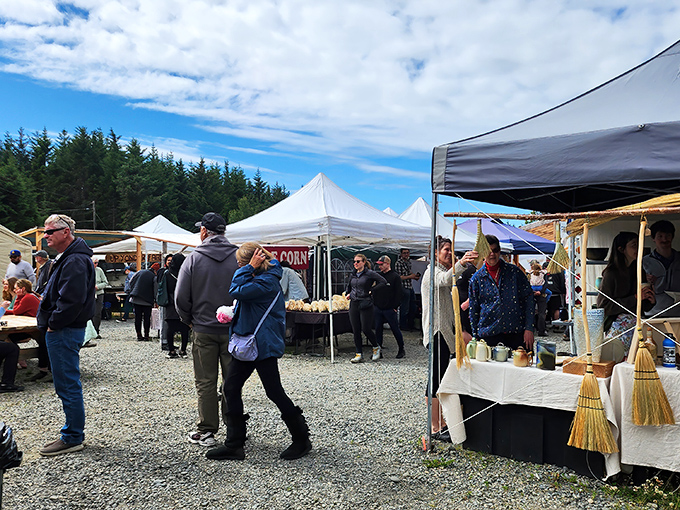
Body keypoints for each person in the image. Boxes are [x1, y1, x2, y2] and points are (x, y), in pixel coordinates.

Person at [206, 242, 312, 461]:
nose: (237, 265)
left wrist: (247, 269)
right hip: (251, 343)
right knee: (231, 387)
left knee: (273, 391)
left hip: (261, 345)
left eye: (240, 262)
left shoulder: (265, 282)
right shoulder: (265, 278)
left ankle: (301, 439)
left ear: (252, 263)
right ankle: (234, 444)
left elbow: (235, 290)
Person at [175, 212, 238, 448]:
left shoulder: (193, 258)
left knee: (205, 382)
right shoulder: (239, 257)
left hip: (203, 327)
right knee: (232, 382)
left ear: (203, 232)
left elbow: (181, 296)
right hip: (233, 329)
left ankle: (207, 431)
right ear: (223, 232)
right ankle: (235, 428)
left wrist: (189, 320)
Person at [36, 214, 95, 456]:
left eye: (50, 231)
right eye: (45, 231)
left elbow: (71, 300)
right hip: (63, 329)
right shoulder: (70, 258)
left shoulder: (75, 261)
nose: (45, 235)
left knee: (67, 384)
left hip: (64, 330)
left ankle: (72, 436)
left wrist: (53, 324)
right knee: (67, 383)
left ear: (65, 233)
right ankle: (72, 433)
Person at [421, 236, 477, 441]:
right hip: (436, 332)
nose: (449, 253)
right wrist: (461, 263)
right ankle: (435, 427)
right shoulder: (432, 273)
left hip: (445, 332)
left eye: (451, 250)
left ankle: (442, 423)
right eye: (445, 249)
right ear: (435, 253)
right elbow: (445, 281)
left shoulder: (443, 271)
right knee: (435, 379)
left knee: (442, 376)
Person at [468, 235, 535, 350]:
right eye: (488, 251)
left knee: (522, 365)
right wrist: (475, 337)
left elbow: (529, 299)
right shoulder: (476, 279)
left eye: (495, 250)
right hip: (489, 334)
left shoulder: (515, 272)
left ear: (499, 251)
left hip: (516, 332)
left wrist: (529, 328)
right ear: (483, 252)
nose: (492, 254)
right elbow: (473, 309)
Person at [598, 232, 655, 353]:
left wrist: (650, 300)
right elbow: (603, 306)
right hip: (618, 326)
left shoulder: (638, 270)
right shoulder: (611, 274)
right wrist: (635, 297)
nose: (638, 249)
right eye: (634, 245)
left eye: (639, 245)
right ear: (621, 249)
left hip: (638, 326)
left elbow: (642, 306)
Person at [345, 253, 386, 363]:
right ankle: (359, 353)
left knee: (366, 329)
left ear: (363, 262)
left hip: (365, 303)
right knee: (356, 330)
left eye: (358, 261)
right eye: (354, 261)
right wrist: (348, 293)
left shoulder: (369, 273)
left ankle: (376, 347)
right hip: (354, 303)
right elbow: (349, 286)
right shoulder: (353, 274)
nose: (356, 264)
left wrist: (372, 290)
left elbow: (383, 282)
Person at [643, 220, 680, 317]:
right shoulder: (644, 262)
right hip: (653, 313)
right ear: (653, 238)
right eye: (660, 236)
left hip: (677, 313)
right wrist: (645, 280)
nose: (664, 239)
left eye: (668, 236)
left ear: (672, 237)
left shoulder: (678, 258)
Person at [372, 255, 405, 358]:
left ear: (387, 264)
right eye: (379, 265)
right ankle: (378, 351)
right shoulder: (379, 276)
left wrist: (395, 306)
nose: (380, 267)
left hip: (390, 308)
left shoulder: (395, 277)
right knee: (378, 330)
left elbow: (399, 293)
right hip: (378, 307)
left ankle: (401, 349)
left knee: (395, 329)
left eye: (381, 265)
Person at [163, 254, 190, 359]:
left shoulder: (167, 273)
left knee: (170, 328)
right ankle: (183, 350)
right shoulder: (186, 273)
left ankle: (172, 350)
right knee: (184, 328)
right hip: (184, 301)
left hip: (170, 303)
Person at [128, 266, 155, 341]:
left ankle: (139, 335)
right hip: (147, 300)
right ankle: (146, 335)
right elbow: (155, 288)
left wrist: (134, 290)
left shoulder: (140, 272)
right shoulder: (153, 276)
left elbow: (131, 282)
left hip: (136, 298)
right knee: (147, 318)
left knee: (138, 318)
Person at [395, 248, 419, 330]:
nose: (406, 254)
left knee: (413, 307)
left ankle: (410, 325)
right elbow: (399, 277)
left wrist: (414, 277)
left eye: (407, 253)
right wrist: (410, 276)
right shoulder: (398, 263)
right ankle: (403, 325)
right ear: (401, 254)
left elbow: (408, 273)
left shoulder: (408, 262)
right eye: (404, 253)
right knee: (404, 308)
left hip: (409, 286)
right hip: (403, 287)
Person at [529, 263, 551, 337]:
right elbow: (546, 284)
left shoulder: (529, 274)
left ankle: (530, 330)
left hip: (532, 292)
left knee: (530, 312)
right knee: (541, 313)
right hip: (541, 293)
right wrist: (541, 292)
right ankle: (541, 331)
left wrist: (532, 292)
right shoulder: (543, 274)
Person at [157, 254, 173, 350]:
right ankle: (163, 341)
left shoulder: (174, 272)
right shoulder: (162, 272)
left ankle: (168, 341)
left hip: (170, 300)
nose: (170, 262)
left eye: (171, 260)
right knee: (163, 320)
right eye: (168, 260)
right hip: (164, 299)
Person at [92, 256, 109, 338]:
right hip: (89, 294)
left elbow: (105, 282)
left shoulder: (99, 270)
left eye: (97, 263)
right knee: (89, 312)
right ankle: (90, 331)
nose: (96, 264)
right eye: (95, 263)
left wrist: (97, 286)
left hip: (99, 293)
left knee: (97, 312)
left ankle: (96, 330)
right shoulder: (85, 270)